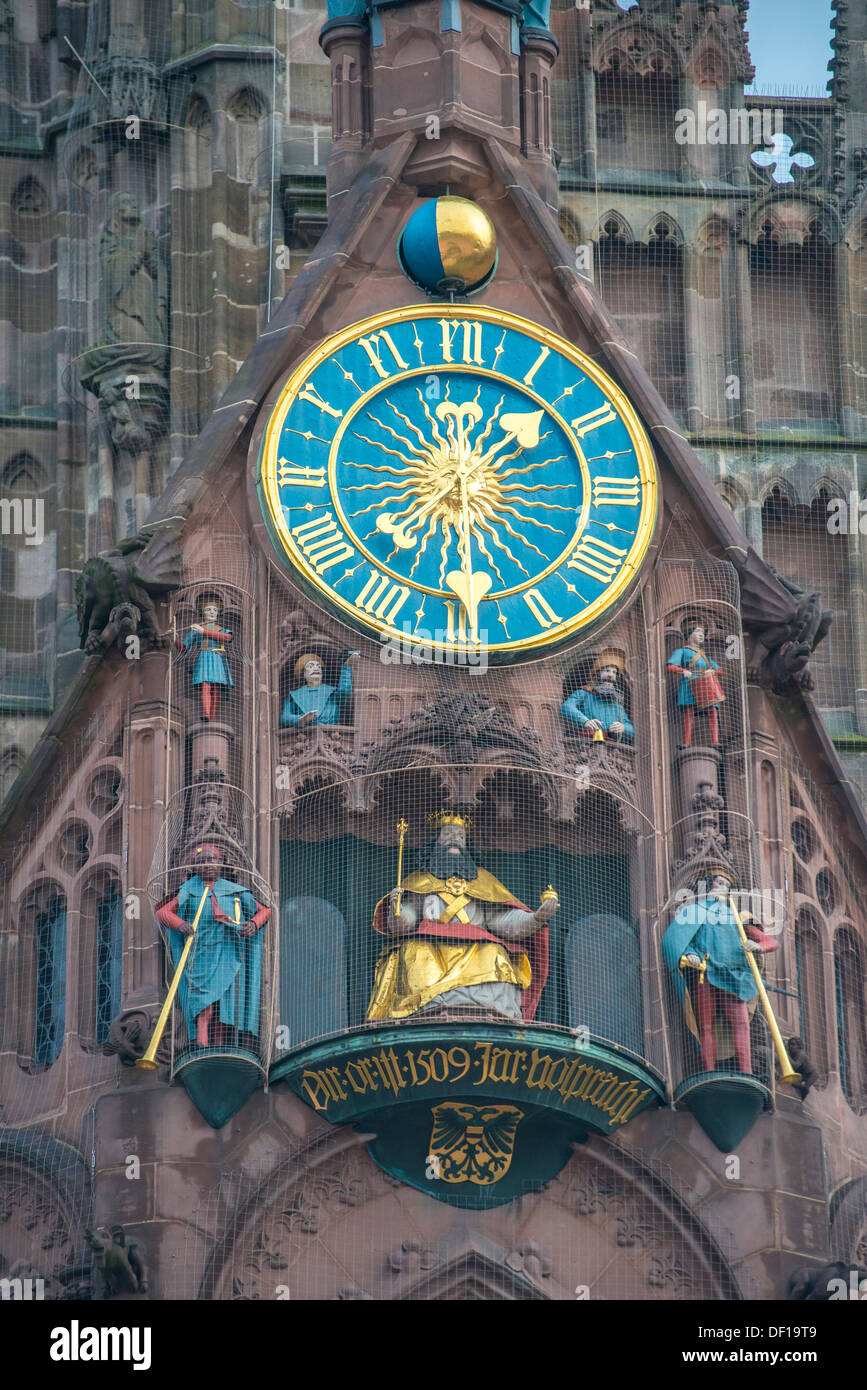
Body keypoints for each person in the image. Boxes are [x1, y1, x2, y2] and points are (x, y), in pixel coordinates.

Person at [365, 812, 555, 1022]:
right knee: (414, 952)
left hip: (478, 943)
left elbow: (502, 920)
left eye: (460, 836)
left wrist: (535, 918)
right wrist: (397, 912)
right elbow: (406, 919)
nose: (455, 839)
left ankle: (486, 1010)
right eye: (448, 834)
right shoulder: (421, 880)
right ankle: (427, 1009)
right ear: (436, 841)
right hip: (431, 942)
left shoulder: (484, 881)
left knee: (495, 953)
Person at [662, 868, 779, 1074]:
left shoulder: (739, 917)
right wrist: (689, 953)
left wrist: (757, 946)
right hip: (705, 974)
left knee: (741, 1024)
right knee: (705, 1025)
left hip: (735, 976)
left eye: (726, 885)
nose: (721, 887)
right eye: (718, 883)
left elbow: (770, 941)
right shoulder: (695, 911)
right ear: (709, 885)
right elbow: (679, 939)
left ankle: (746, 1072)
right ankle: (709, 1071)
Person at [155, 844, 271, 1047]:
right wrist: (181, 924)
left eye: (212, 860)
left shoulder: (235, 891)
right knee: (203, 1001)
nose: (207, 865)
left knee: (224, 1003)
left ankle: (217, 1045)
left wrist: (253, 924)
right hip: (201, 953)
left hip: (229, 952)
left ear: (221, 863)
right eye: (201, 862)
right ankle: (201, 1042)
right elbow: (163, 913)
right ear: (194, 868)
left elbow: (264, 911)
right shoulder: (189, 890)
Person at [667, 618, 723, 747]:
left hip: (706, 682)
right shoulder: (682, 651)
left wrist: (713, 671)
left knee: (713, 709)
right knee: (689, 710)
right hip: (690, 682)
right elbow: (670, 667)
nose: (701, 635)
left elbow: (720, 670)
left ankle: (715, 740)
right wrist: (683, 671)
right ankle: (686, 742)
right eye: (698, 631)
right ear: (689, 634)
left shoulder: (705, 656)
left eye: (702, 632)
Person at [178, 598, 233, 723]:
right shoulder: (196, 630)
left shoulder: (220, 629)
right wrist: (174, 637)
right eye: (208, 610)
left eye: (215, 610)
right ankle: (206, 714)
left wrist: (204, 631)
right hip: (204, 657)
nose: (212, 612)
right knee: (205, 685)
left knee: (216, 688)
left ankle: (212, 718)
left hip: (217, 657)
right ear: (203, 613)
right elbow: (183, 648)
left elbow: (227, 637)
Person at [561, 648, 634, 742]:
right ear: (597, 674)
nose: (611, 675)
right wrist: (585, 721)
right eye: (607, 671)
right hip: (586, 743)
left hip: (611, 747)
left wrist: (623, 728)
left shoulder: (617, 704)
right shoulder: (584, 693)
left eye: (614, 672)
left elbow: (632, 731)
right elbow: (566, 707)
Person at [280, 651, 359, 727]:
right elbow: (284, 718)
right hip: (303, 735)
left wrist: (346, 667)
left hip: (331, 733)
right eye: (310, 666)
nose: (316, 668)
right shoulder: (294, 695)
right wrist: (301, 719)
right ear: (303, 673)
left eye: (319, 666)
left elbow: (344, 692)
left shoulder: (332, 691)